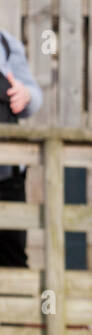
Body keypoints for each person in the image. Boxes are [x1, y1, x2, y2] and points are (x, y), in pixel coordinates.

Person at [0, 28, 43, 267]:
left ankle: (15, 303)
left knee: (12, 251)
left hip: (8, 173)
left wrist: (26, 95)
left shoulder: (7, 43)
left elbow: (33, 92)